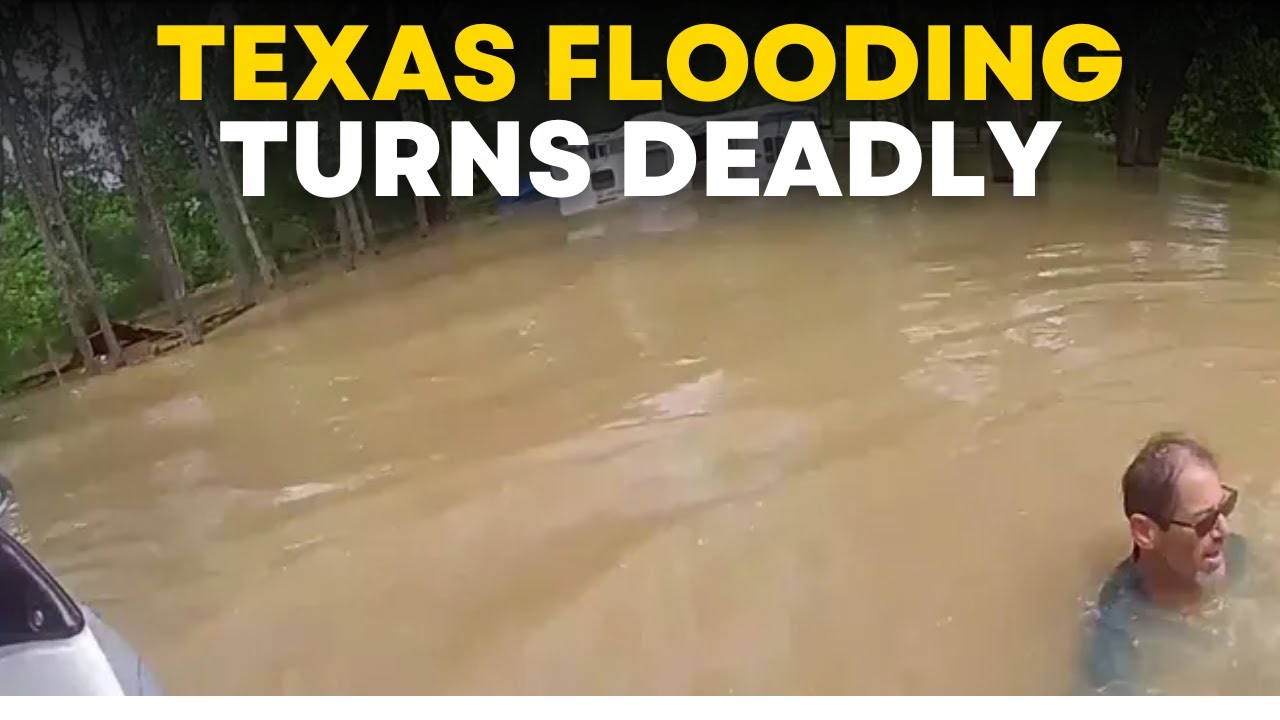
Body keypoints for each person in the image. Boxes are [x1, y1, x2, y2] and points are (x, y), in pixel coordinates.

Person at [1079, 431, 1246, 694]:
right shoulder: (1118, 629)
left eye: (1224, 508)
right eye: (1204, 521)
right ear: (1145, 532)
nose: (1223, 530)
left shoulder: (1239, 555)